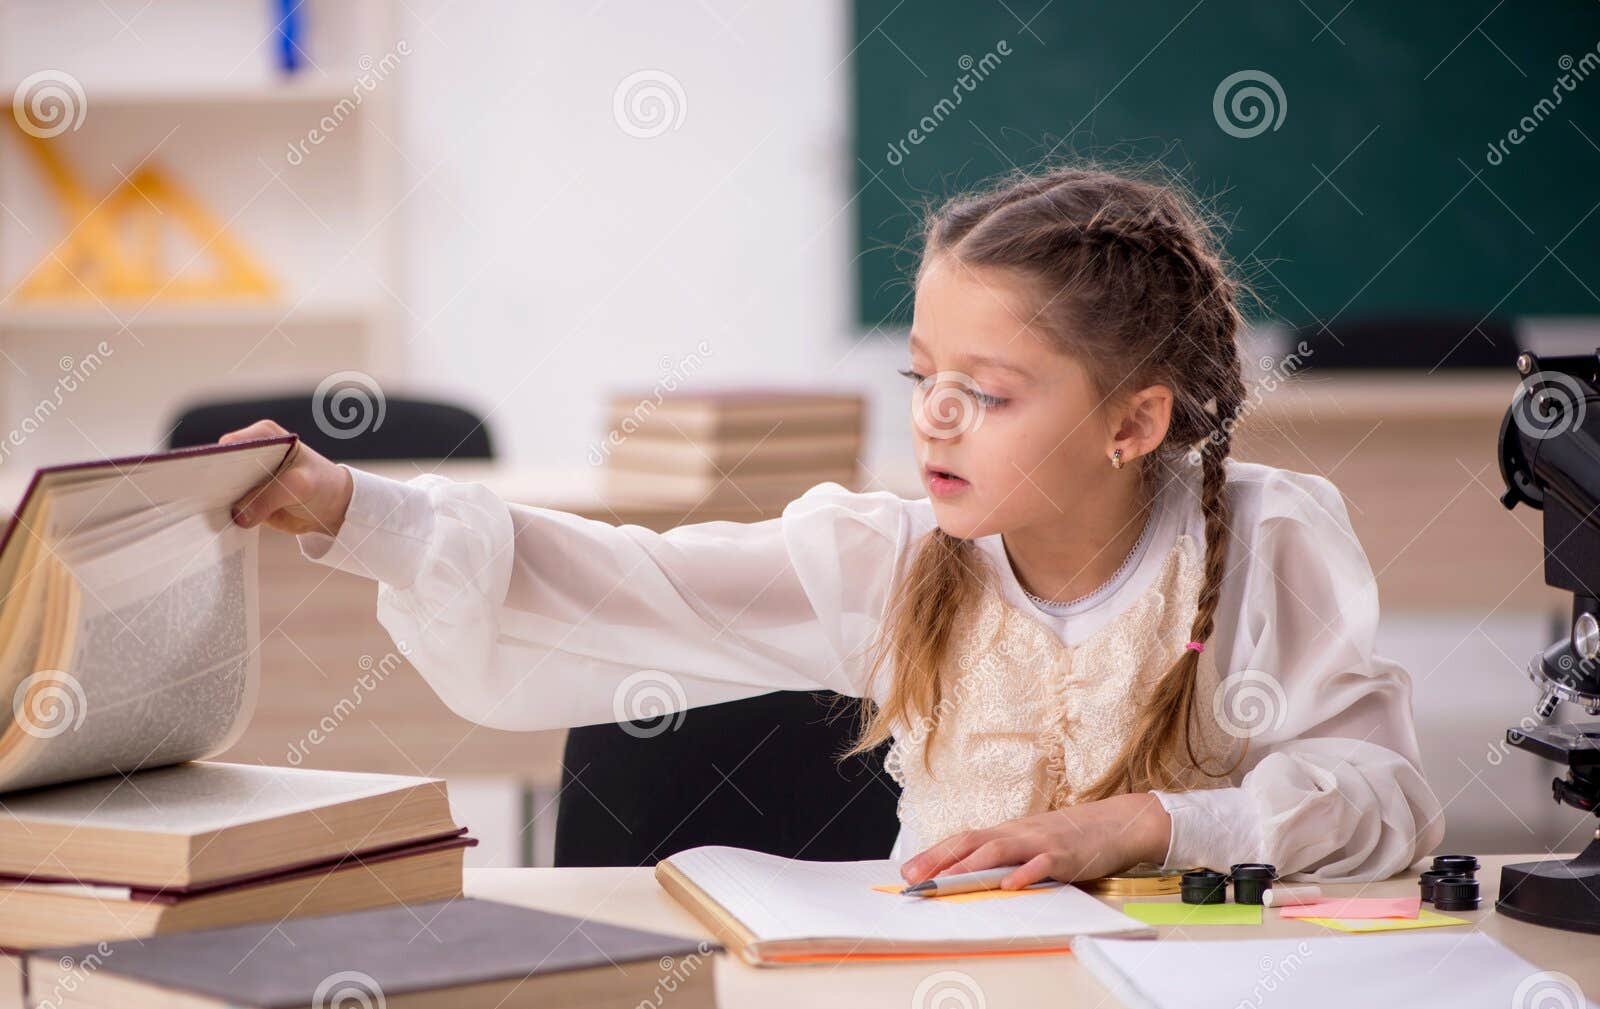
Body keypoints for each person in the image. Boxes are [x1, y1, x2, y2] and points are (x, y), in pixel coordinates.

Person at [222, 164, 1444, 890]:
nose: (935, 419)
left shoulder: (1265, 539)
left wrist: (1142, 826)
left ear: (1133, 422)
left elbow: (1382, 799)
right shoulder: (886, 557)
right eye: (922, 377)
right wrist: (354, 508)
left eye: (989, 393)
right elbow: (624, 580)